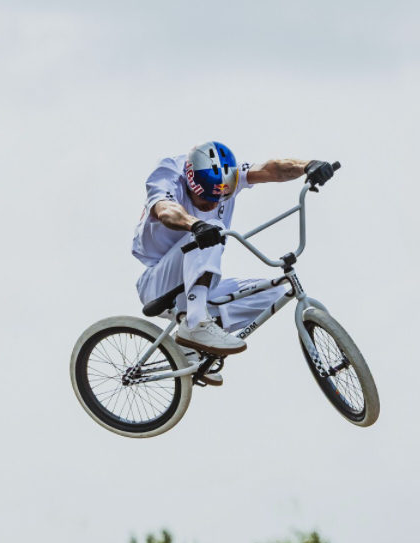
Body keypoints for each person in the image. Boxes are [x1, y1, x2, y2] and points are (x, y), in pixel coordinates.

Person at [131, 142, 337, 374]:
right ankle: (196, 323)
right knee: (213, 227)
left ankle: (193, 346)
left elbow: (272, 169)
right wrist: (196, 224)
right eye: (205, 198)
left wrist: (308, 165)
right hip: (159, 283)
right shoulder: (168, 173)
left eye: (220, 197)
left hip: (199, 283)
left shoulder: (226, 176)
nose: (213, 204)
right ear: (190, 181)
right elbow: (165, 209)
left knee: (276, 291)